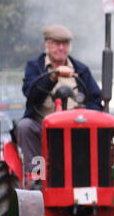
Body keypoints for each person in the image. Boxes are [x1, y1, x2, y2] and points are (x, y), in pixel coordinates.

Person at [18, 24, 102, 182]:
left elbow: (96, 100)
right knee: (25, 126)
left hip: (76, 129)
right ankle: (37, 177)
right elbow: (31, 95)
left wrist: (83, 112)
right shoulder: (34, 67)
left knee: (97, 130)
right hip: (42, 127)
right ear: (46, 45)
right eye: (56, 43)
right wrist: (52, 77)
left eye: (65, 44)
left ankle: (87, 180)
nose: (61, 48)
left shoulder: (81, 70)